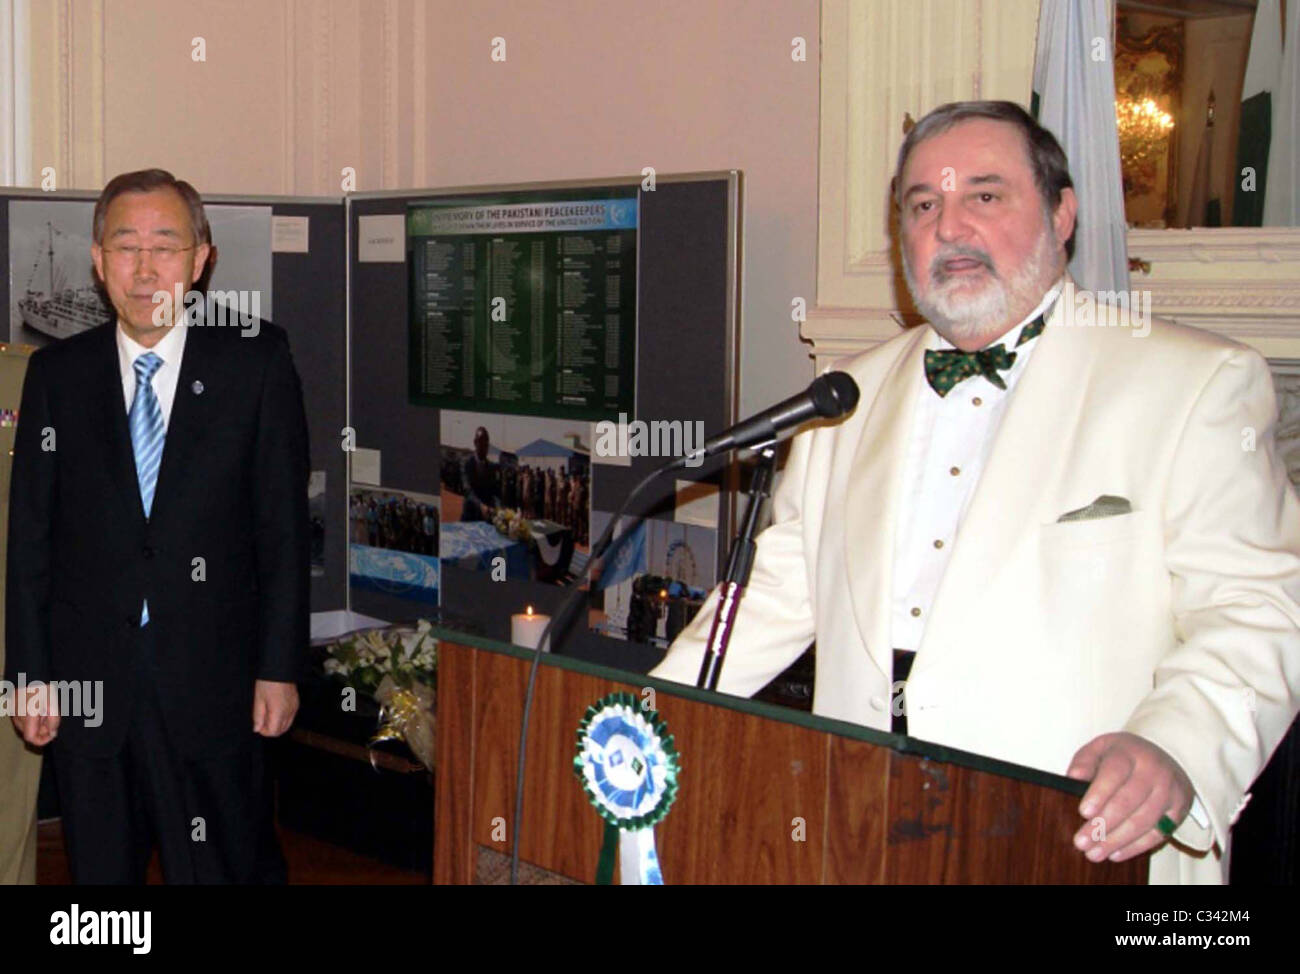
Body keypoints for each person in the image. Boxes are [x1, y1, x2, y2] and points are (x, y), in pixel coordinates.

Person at [651, 101, 1300, 885]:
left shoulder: (1194, 384)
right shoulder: (846, 394)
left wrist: (1176, 744)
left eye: (985, 196)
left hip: (1078, 844)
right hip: (859, 833)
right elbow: (774, 597)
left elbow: (1262, 607)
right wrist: (643, 719)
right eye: (924, 205)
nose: (950, 228)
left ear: (1063, 214)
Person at [5, 168, 310, 883]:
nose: (145, 269)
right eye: (125, 246)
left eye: (165, 247)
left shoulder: (256, 361)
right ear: (97, 258)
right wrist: (29, 675)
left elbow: (282, 531)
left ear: (201, 260)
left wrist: (279, 667)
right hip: (91, 691)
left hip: (218, 688)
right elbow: (30, 542)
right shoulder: (56, 375)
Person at [460, 426, 498, 522]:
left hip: (485, 520)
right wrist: (480, 506)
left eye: (486, 443)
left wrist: (497, 508)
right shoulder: (466, 463)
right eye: (481, 442)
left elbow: (494, 491)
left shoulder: (491, 467)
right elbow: (467, 490)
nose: (484, 447)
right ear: (475, 442)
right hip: (469, 517)